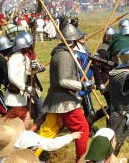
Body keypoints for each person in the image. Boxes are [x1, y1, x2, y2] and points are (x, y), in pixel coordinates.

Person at [37, 23, 90, 162]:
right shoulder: (65, 55)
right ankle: (81, 159)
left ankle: (31, 155)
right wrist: (82, 85)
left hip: (57, 97)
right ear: (73, 40)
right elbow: (63, 80)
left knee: (50, 129)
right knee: (82, 128)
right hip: (64, 100)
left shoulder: (60, 52)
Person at [0, 107, 81, 163]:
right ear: (21, 121)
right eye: (29, 118)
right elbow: (50, 144)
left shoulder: (2, 134)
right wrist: (71, 136)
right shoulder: (26, 135)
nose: (30, 120)